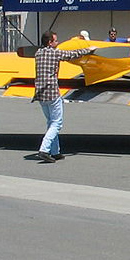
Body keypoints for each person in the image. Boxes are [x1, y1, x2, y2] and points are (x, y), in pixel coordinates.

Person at [32, 31, 97, 163]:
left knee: (51, 122)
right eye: (55, 40)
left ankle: (55, 151)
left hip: (40, 94)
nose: (58, 43)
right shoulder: (55, 53)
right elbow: (72, 54)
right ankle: (44, 150)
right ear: (50, 42)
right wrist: (88, 50)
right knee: (57, 123)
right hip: (52, 93)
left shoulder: (38, 53)